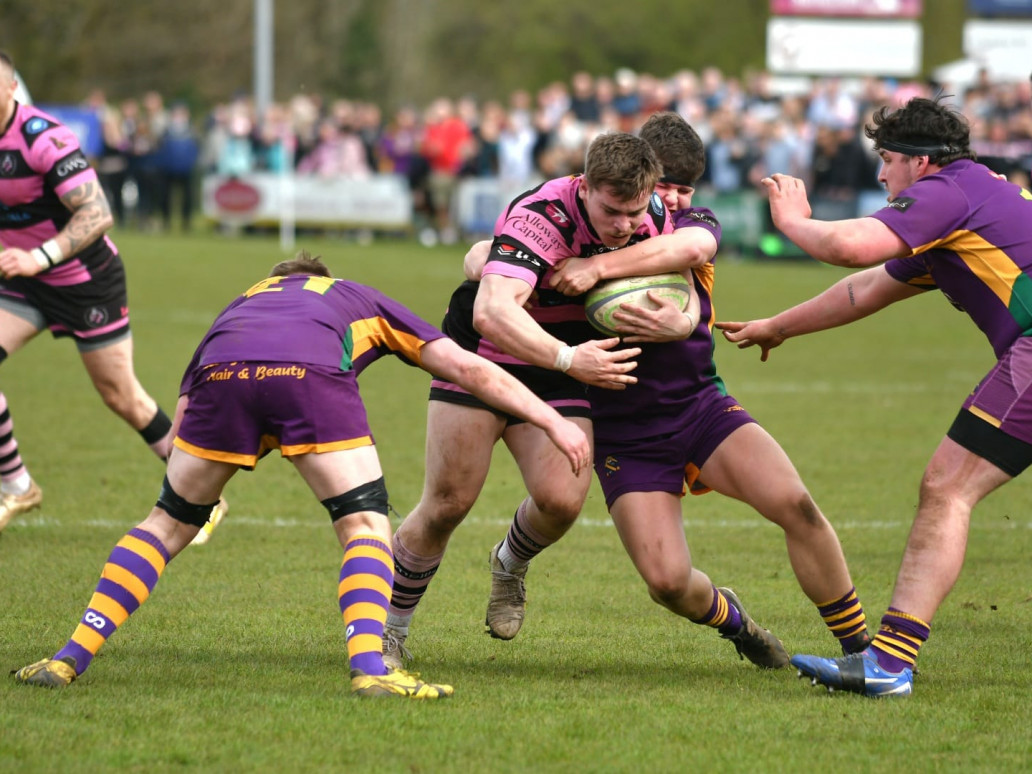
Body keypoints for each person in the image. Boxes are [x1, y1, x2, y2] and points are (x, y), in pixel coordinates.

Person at [12, 251, 591, 698]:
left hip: (223, 378)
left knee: (164, 526)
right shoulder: (351, 294)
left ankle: (68, 656)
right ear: (321, 276)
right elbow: (465, 365)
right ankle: (371, 669)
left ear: (276, 279)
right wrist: (550, 420)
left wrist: (197, 494)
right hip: (309, 376)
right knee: (365, 528)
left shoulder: (240, 303)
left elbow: (185, 411)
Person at [383, 129, 787, 673]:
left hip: (561, 366)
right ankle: (387, 633)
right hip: (486, 357)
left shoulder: (653, 217)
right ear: (586, 187)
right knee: (448, 503)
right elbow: (492, 314)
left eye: (634, 212)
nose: (625, 226)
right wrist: (571, 361)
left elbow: (686, 273)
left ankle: (508, 564)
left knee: (562, 500)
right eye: (612, 211)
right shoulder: (540, 214)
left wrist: (684, 318)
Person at [717, 95, 1032, 697]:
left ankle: (888, 663)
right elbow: (866, 288)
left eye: (887, 160)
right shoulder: (964, 209)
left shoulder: (948, 192)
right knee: (948, 489)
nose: (882, 175)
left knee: (947, 487)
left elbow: (852, 248)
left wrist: (789, 221)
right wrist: (778, 326)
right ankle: (889, 664)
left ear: (920, 161)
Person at [551, 111, 871, 668]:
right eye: (662, 186)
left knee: (796, 505)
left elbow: (690, 249)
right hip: (626, 434)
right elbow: (491, 255)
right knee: (669, 583)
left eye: (683, 187)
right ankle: (740, 626)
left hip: (701, 407)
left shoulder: (692, 224)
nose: (673, 198)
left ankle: (864, 651)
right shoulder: (580, 227)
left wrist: (593, 272)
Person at [0, 51, 225, 541]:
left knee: (121, 396)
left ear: (13, 85)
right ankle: (18, 485)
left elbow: (97, 213)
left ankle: (204, 495)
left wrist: (39, 256)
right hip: (20, 282)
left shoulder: (45, 138)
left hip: (84, 280)